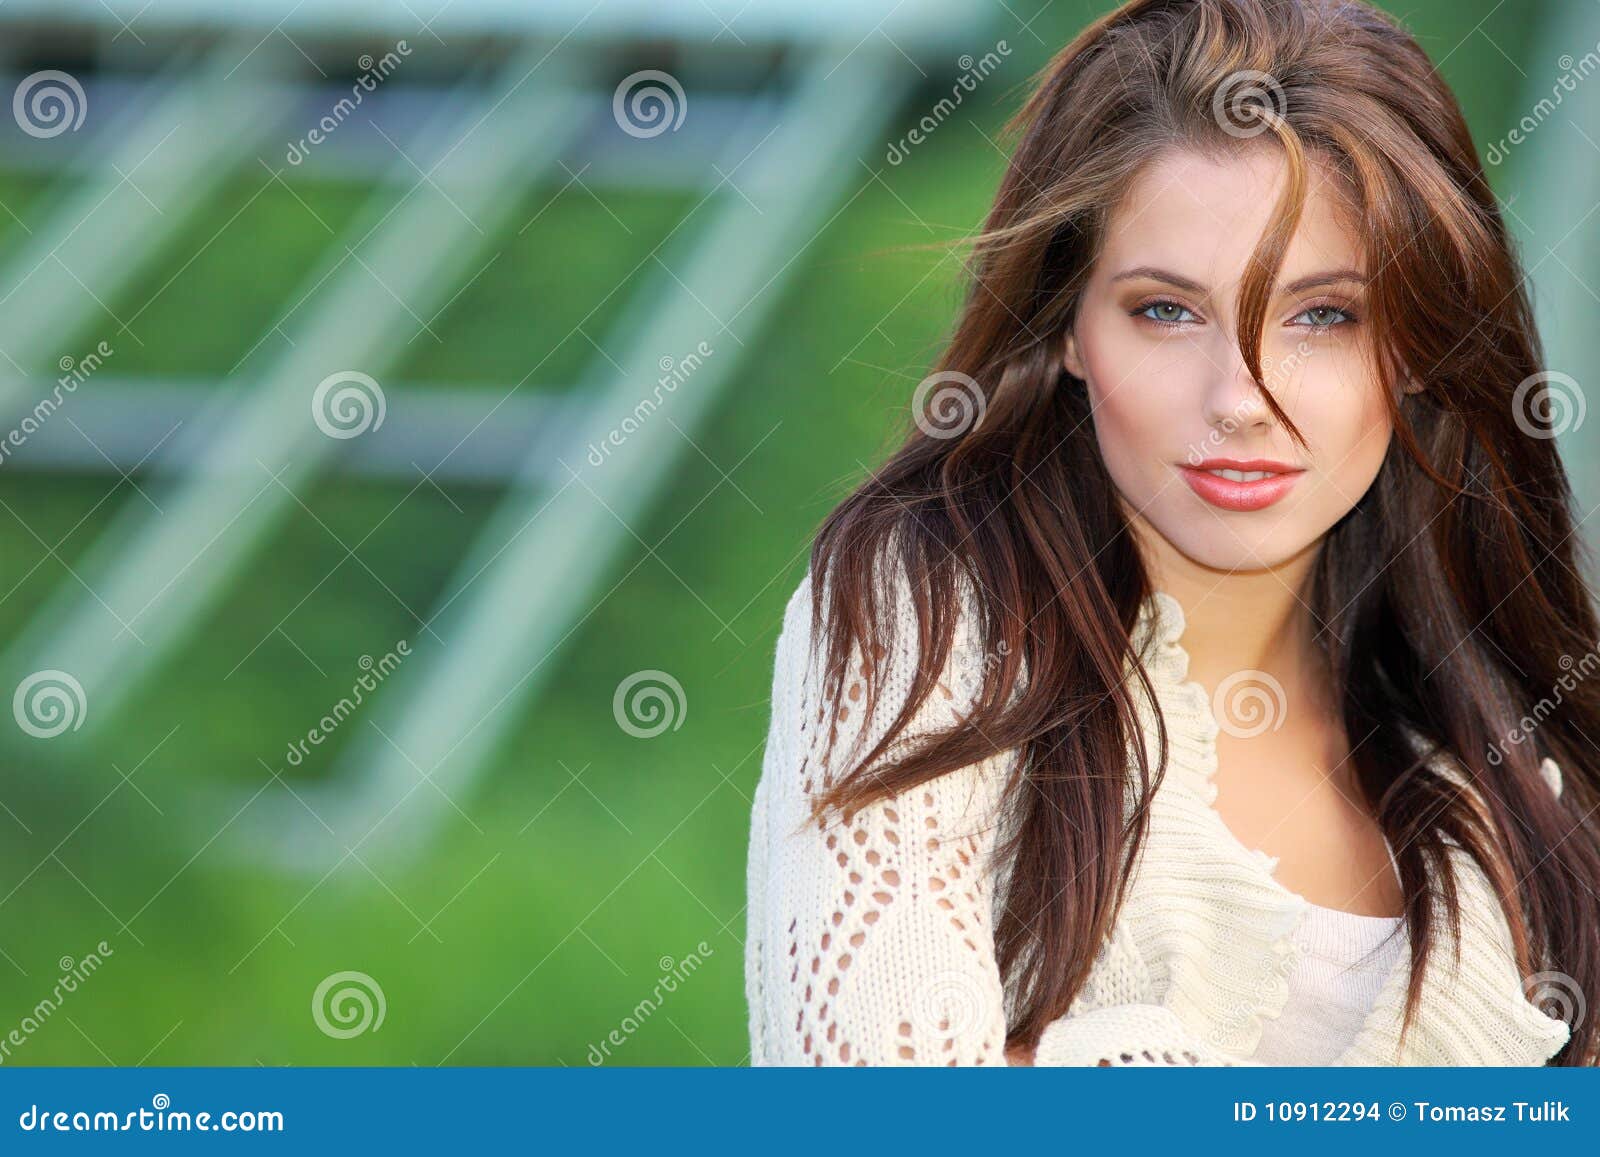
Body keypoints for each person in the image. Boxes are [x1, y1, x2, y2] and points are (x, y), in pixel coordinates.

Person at [744, 0, 1600, 1066]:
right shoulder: (920, 608)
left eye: (1322, 314)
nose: (1239, 398)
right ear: (1065, 325)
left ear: (1418, 343)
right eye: (1166, 309)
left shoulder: (1517, 755)